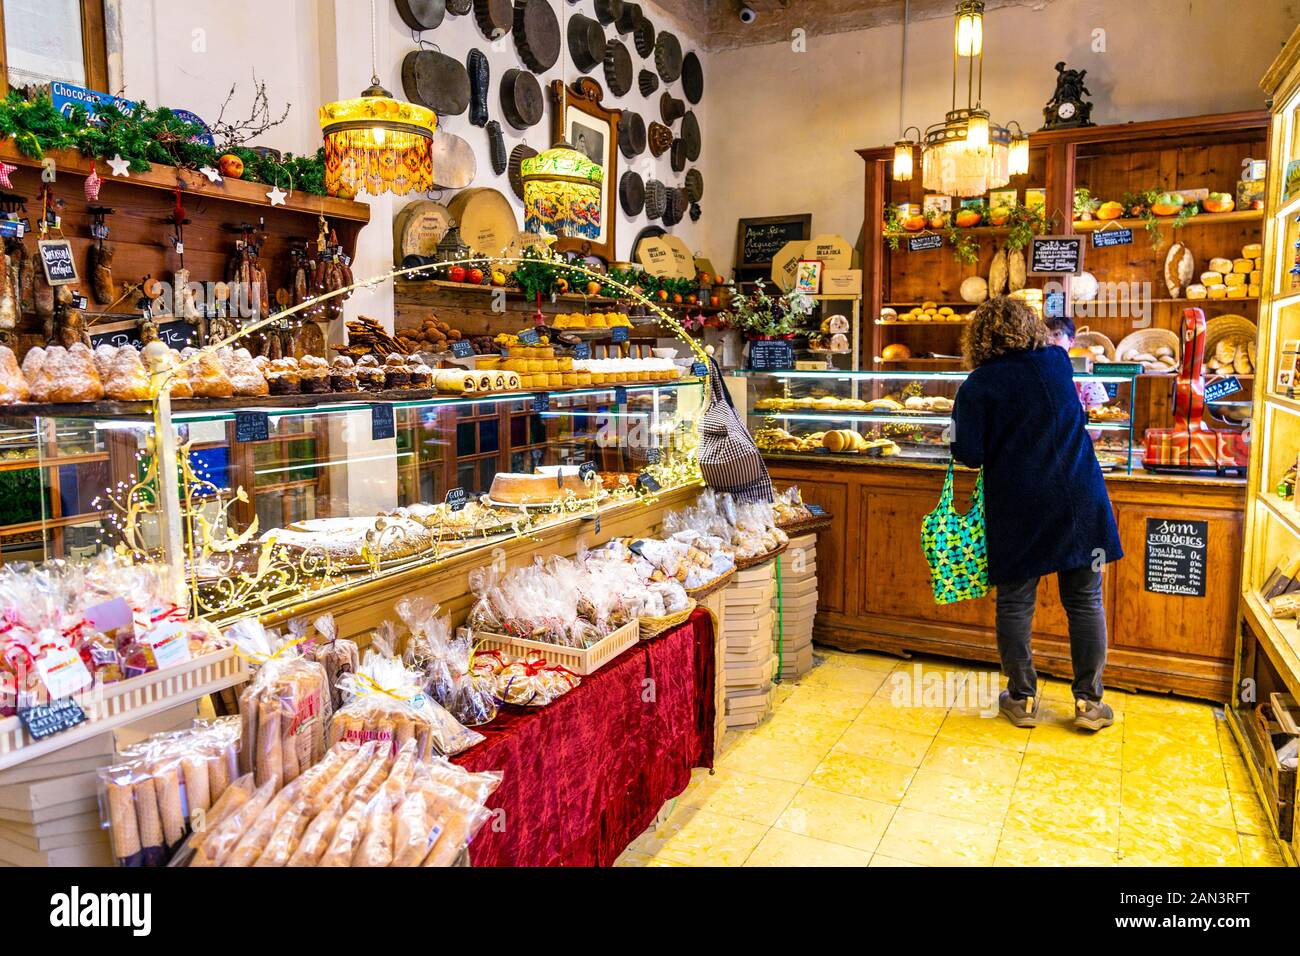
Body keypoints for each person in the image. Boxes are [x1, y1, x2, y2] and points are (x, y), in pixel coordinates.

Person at [950, 296, 1122, 731]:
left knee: (1015, 602)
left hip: (1018, 505)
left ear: (979, 338)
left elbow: (969, 454)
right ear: (1030, 326)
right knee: (1084, 600)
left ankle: (1022, 699)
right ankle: (1088, 703)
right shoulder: (1057, 364)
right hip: (1079, 499)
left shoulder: (978, 385)